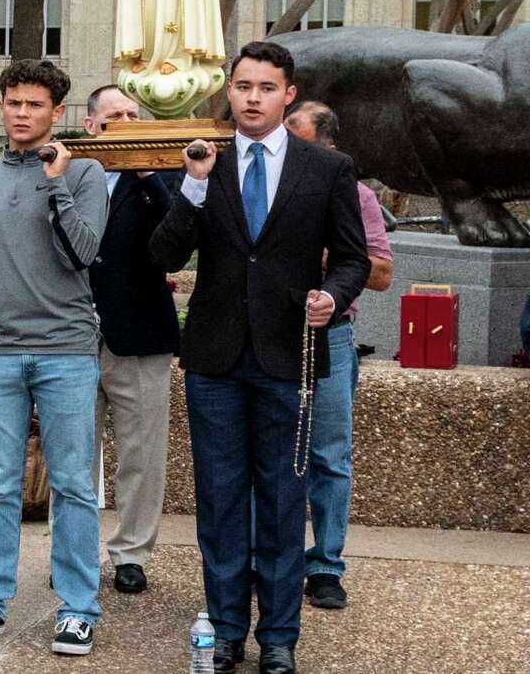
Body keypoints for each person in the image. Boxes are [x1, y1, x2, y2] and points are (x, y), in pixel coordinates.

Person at [149, 42, 370, 674]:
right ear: (230, 92)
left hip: (290, 359)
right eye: (242, 86)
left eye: (265, 87)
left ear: (287, 95)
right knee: (219, 502)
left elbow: (353, 256)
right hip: (215, 360)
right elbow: (163, 256)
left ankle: (278, 638)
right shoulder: (203, 165)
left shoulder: (326, 169)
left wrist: (334, 293)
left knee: (280, 501)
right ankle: (224, 632)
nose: (251, 97)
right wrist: (191, 188)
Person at [0, 60, 108, 657]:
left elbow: (83, 253)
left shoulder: (85, 174)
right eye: (14, 102)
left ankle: (79, 607)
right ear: (2, 106)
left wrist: (55, 180)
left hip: (66, 351)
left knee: (72, 486)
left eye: (35, 104)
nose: (22, 113)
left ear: (57, 112)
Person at [285, 100, 394, 612]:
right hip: (270, 335)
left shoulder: (356, 196)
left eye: (295, 134)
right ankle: (275, 558)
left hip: (330, 336)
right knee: (273, 454)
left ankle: (326, 565)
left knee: (330, 455)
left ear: (325, 144)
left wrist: (326, 248)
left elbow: (381, 274)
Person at [82, 85, 179, 596]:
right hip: (71, 339)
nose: (127, 121)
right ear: (92, 124)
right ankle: (73, 551)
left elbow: (177, 247)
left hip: (140, 336)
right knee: (75, 454)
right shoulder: (69, 174)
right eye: (116, 115)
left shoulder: (162, 177)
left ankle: (131, 553)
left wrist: (148, 176)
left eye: (134, 114)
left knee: (143, 455)